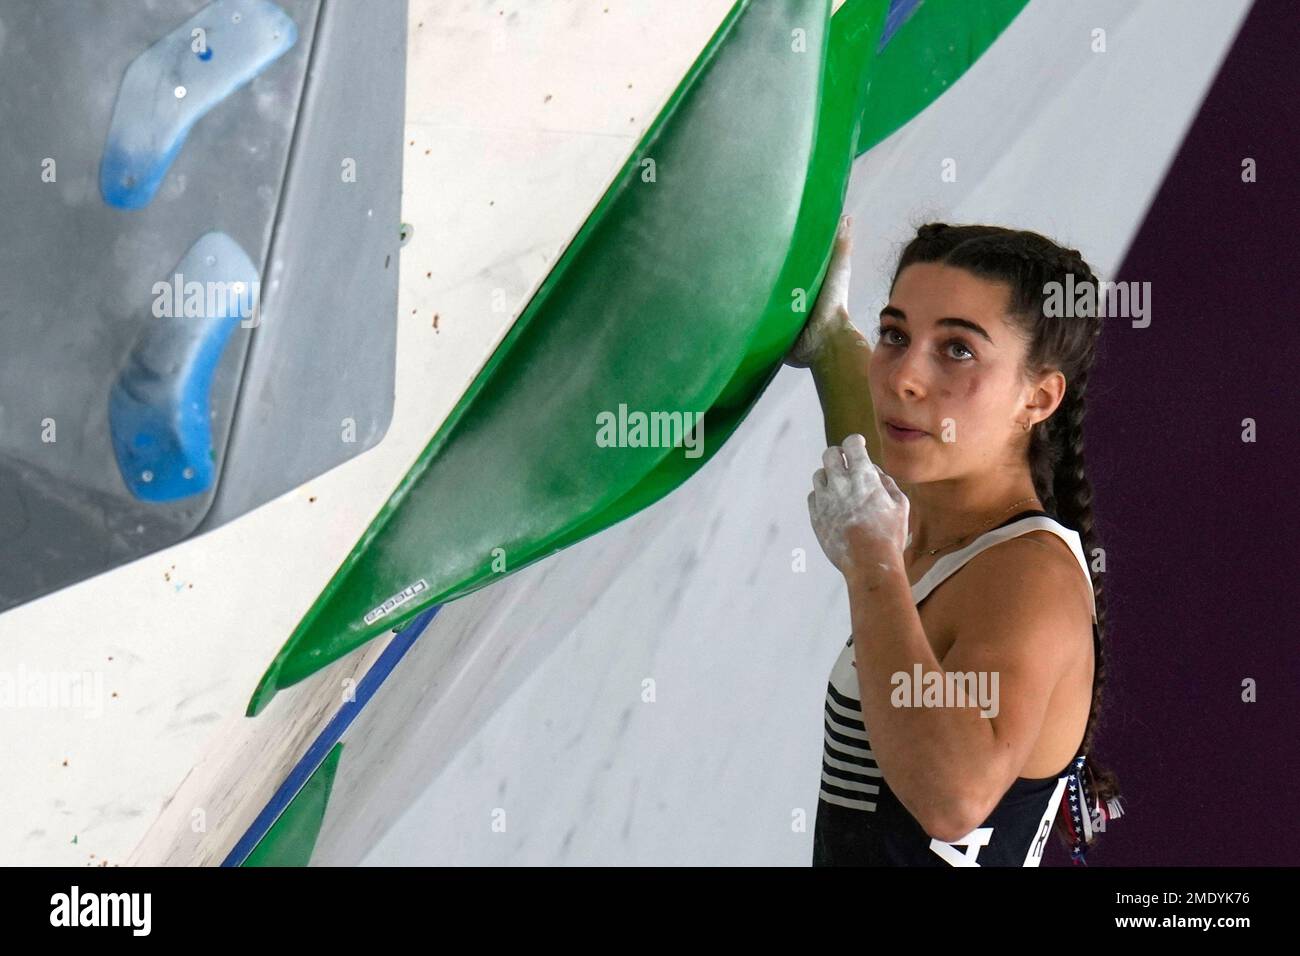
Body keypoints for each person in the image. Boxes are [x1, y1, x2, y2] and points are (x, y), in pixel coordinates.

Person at [788, 216, 1123, 866]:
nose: (905, 377)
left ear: (1039, 397)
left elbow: (952, 802)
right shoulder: (933, 512)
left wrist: (873, 566)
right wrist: (828, 336)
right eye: (896, 334)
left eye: (958, 350)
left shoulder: (1028, 581)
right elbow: (872, 444)